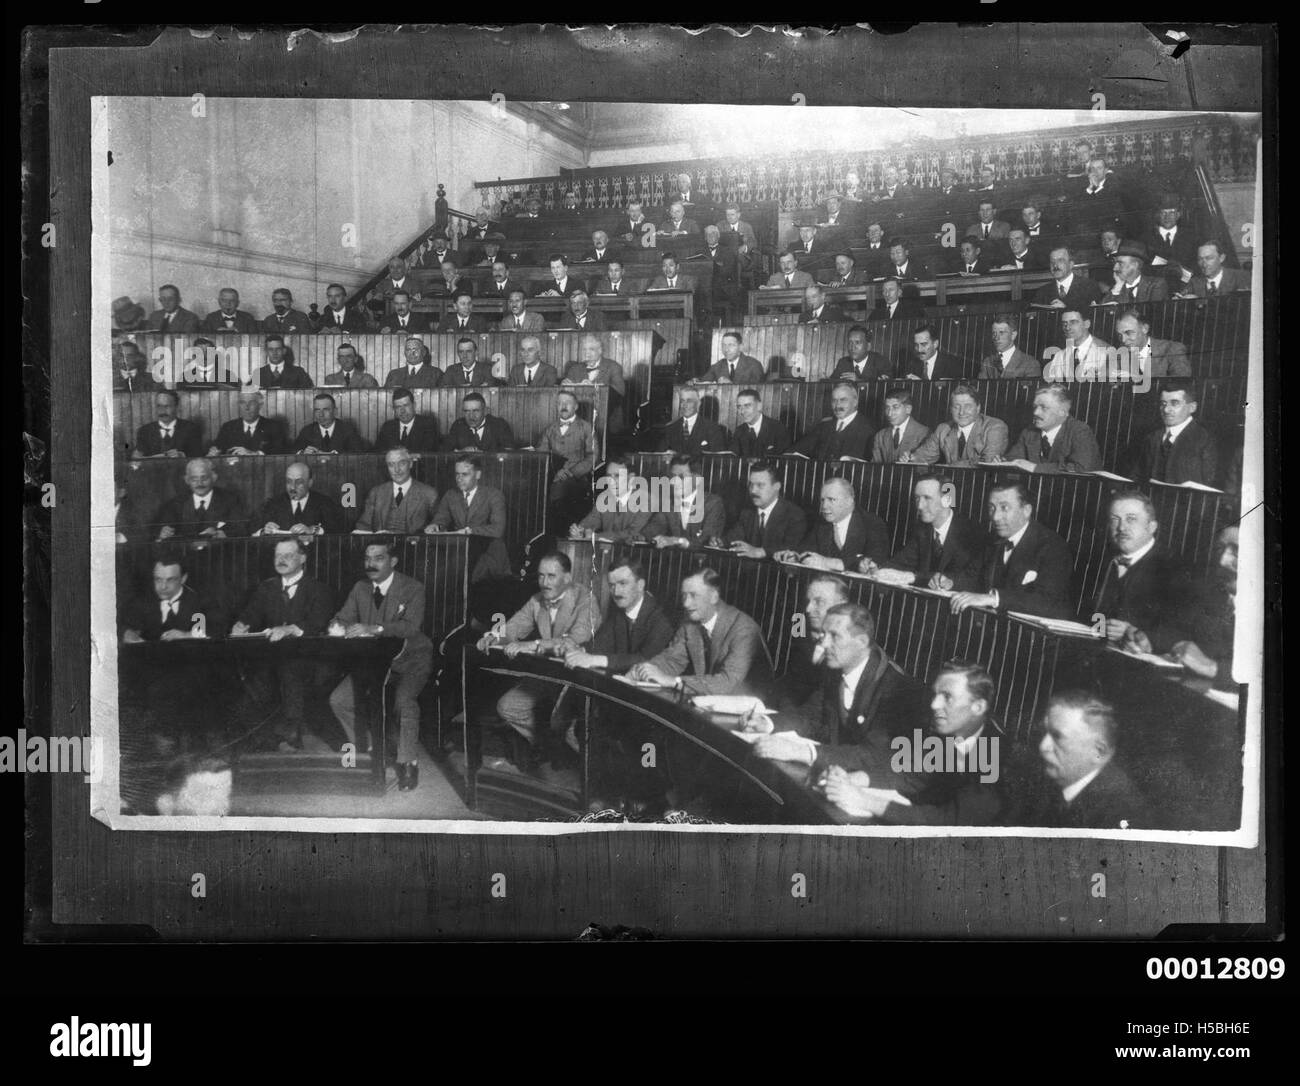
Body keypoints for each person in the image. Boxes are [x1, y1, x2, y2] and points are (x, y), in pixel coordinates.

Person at [821, 661, 1007, 825]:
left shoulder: (998, 755)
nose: (934, 705)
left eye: (947, 697)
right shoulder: (949, 733)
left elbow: (949, 821)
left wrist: (862, 799)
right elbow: (913, 776)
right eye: (935, 695)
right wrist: (852, 779)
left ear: (978, 707)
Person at [752, 602, 924, 772]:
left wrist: (803, 752)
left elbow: (873, 754)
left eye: (834, 636)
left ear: (861, 642)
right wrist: (767, 723)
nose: (824, 644)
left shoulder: (895, 688)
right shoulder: (834, 670)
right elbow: (811, 717)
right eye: (823, 635)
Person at [328, 539, 434, 791]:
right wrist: (336, 626)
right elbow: (342, 618)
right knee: (339, 701)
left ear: (393, 561)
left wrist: (374, 628)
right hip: (374, 664)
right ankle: (372, 750)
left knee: (403, 703)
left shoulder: (412, 588)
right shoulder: (360, 588)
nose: (370, 564)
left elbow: (410, 627)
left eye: (378, 558)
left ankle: (409, 762)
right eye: (367, 559)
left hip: (411, 661)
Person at [476, 551, 598, 767]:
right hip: (550, 674)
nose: (544, 582)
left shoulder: (586, 600)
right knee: (508, 707)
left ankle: (578, 760)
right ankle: (554, 747)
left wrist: (531, 645)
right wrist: (492, 638)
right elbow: (514, 626)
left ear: (567, 578)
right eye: (541, 576)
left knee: (560, 722)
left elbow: (575, 640)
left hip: (579, 681)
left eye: (551, 576)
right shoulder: (536, 600)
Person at [231, 538, 340, 751]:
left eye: (288, 556)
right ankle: (265, 742)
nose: (281, 560)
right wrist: (240, 625)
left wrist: (291, 629)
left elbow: (317, 622)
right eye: (277, 556)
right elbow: (250, 615)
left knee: (290, 671)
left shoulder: (319, 589)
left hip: (310, 660)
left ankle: (290, 736)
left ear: (302, 558)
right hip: (272, 659)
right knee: (249, 679)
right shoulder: (266, 588)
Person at [1089, 489, 1197, 655]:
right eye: (1114, 519)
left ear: (1151, 527)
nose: (1121, 527)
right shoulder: (1098, 559)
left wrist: (1133, 631)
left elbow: (1180, 629)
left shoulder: (1174, 568)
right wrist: (1101, 626)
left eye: (1131, 519)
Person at [630, 569, 768, 697]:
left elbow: (727, 682)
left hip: (754, 707)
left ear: (714, 596)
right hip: (712, 701)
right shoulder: (690, 623)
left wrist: (674, 681)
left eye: (693, 595)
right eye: (684, 595)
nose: (686, 603)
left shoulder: (744, 628)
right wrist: (643, 670)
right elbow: (672, 660)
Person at [1022, 692, 1151, 829]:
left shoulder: (1122, 813)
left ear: (1098, 752)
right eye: (1044, 732)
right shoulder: (1045, 790)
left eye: (1058, 736)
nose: (1043, 746)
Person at [950, 479, 1074, 620]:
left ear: (1026, 510)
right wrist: (947, 582)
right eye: (991, 508)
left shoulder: (1053, 546)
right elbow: (971, 577)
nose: (995, 517)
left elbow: (1048, 602)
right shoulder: (991, 541)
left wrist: (994, 599)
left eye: (1005, 508)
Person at [860, 474, 982, 588]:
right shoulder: (922, 529)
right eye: (917, 498)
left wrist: (914, 577)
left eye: (927, 498)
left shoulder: (969, 532)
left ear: (947, 499)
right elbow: (902, 561)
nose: (919, 506)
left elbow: (965, 578)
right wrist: (878, 569)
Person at [1168, 525, 1238, 684]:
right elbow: (1178, 633)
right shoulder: (1209, 595)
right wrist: (1146, 640)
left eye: (1236, 551)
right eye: (1220, 549)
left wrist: (1213, 668)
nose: (1222, 561)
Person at [425, 453, 511, 581]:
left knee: (471, 576)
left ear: (478, 475)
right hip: (458, 552)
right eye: (457, 474)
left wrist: (469, 531)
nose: (459, 479)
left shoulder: (494, 495)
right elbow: (441, 518)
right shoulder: (450, 495)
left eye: (465, 474)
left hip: (488, 553)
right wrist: (434, 526)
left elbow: (498, 530)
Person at [775, 477, 889, 571]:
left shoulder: (872, 523)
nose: (824, 506)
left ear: (849, 501)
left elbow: (875, 561)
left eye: (831, 500)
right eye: (822, 500)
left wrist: (829, 562)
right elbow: (806, 550)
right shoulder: (822, 523)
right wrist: (794, 556)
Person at [1129, 379, 1219, 487]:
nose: (1166, 409)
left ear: (1192, 407)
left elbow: (1210, 485)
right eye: (1163, 403)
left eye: (1175, 403)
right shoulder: (1152, 438)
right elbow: (1136, 477)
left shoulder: (1205, 440)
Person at [998, 384, 1102, 474]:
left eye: (1044, 407)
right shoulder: (1029, 433)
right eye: (1035, 407)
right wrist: (1002, 462)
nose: (1035, 413)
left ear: (1062, 412)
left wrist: (1036, 468)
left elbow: (1083, 468)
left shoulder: (1080, 431)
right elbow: (1014, 459)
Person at [120, 552, 222, 642]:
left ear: (183, 579)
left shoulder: (202, 602)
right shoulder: (141, 601)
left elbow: (218, 630)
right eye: (158, 579)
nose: (163, 587)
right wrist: (128, 634)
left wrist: (188, 635)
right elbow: (124, 627)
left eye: (170, 580)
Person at [902, 383, 1008, 467]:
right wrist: (910, 458)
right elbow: (924, 456)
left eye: (967, 406)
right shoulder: (943, 429)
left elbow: (987, 462)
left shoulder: (995, 427)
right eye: (956, 407)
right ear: (950, 409)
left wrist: (950, 466)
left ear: (978, 407)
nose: (961, 412)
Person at [719, 459, 807, 559]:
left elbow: (792, 548)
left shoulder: (794, 515)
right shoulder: (747, 512)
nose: (753, 490)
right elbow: (732, 539)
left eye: (760, 485)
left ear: (776, 487)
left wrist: (761, 552)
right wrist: (720, 542)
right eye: (751, 484)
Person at [536, 390, 597, 525]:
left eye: (567, 403)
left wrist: (570, 472)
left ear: (575, 407)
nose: (563, 406)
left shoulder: (586, 428)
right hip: (553, 475)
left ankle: (557, 533)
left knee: (557, 491)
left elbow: (592, 457)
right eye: (559, 403)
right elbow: (542, 455)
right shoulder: (550, 429)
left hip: (578, 477)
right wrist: (554, 472)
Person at [645, 455, 726, 549]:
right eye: (672, 477)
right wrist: (640, 537)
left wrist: (677, 541)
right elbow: (655, 527)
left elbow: (708, 540)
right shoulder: (668, 502)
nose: (673, 482)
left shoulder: (713, 503)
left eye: (681, 477)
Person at [155, 457, 247, 539]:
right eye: (194, 479)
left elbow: (240, 530)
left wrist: (224, 534)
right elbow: (164, 533)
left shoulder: (231, 500)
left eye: (204, 478)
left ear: (214, 478)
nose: (199, 484)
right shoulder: (175, 504)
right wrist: (163, 533)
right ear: (187, 480)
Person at [353, 447, 438, 534]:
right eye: (391, 465)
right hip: (380, 544)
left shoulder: (429, 493)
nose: (397, 470)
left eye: (402, 463)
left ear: (411, 464)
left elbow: (437, 526)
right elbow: (363, 526)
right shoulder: (376, 493)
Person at [570, 454, 652, 541]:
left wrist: (595, 537)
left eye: (617, 476)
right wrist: (578, 531)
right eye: (609, 476)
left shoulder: (646, 500)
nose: (611, 481)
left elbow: (633, 533)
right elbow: (590, 523)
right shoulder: (604, 498)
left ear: (631, 478)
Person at [256, 460, 346, 536]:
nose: (292, 487)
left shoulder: (324, 502)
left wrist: (314, 530)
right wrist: (264, 531)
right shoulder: (273, 503)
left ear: (310, 483)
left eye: (299, 482)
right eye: (289, 481)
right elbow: (251, 528)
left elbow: (341, 528)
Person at [791, 381, 874, 461]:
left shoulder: (868, 430)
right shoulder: (823, 427)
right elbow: (796, 451)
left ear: (855, 402)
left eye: (843, 400)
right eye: (834, 400)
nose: (837, 405)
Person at [561, 334, 627, 434]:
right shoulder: (575, 369)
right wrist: (565, 386)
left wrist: (593, 387)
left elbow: (620, 392)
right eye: (584, 350)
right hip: (578, 415)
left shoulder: (613, 366)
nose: (587, 353)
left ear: (600, 350)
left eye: (591, 349)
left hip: (606, 417)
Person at [1112, 308, 1192, 379]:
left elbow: (1181, 384)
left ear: (1145, 329)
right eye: (1119, 335)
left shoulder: (1172, 349)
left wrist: (1136, 379)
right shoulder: (1120, 355)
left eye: (1128, 333)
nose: (1123, 339)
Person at [207, 391, 289, 456]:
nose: (246, 408)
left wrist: (255, 454)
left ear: (260, 405)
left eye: (251, 403)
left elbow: (281, 452)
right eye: (242, 403)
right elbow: (218, 448)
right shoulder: (228, 427)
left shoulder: (274, 427)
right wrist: (214, 453)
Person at [1042, 308, 1110, 382]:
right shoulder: (1059, 355)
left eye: (1073, 322)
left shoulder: (1106, 351)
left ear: (1087, 324)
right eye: (1064, 323)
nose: (1067, 328)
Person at [132, 390, 205, 459]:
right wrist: (136, 457)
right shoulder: (144, 431)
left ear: (176, 407)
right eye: (159, 406)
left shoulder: (191, 429)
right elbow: (139, 457)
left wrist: (182, 455)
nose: (162, 411)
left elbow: (198, 456)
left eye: (167, 406)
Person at [658, 386, 727, 455]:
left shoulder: (712, 428)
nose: (685, 405)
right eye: (682, 401)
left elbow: (717, 460)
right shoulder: (670, 429)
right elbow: (661, 457)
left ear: (698, 404)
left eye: (689, 401)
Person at [293, 393, 369, 454]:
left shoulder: (347, 429)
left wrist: (334, 455)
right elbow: (293, 451)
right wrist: (303, 453)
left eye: (325, 410)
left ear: (335, 411)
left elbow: (358, 452)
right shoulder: (307, 430)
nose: (321, 414)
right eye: (317, 410)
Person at [1033, 246, 1105, 310]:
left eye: (1060, 260)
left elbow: (1093, 316)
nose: (1055, 265)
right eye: (1052, 262)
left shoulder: (1089, 286)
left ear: (1071, 264)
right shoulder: (1042, 292)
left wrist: (1066, 309)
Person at [871, 387, 930, 463]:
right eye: (887, 408)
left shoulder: (924, 433)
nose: (889, 413)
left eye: (895, 407)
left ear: (908, 409)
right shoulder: (880, 435)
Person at [374, 387, 440, 453]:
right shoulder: (388, 427)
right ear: (394, 409)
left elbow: (428, 454)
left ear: (414, 405)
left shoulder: (427, 425)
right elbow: (378, 453)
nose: (402, 411)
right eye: (398, 407)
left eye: (406, 405)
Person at [443, 392, 516, 452]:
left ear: (485, 411)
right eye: (467, 411)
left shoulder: (499, 425)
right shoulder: (458, 425)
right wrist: (462, 451)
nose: (471, 416)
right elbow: (446, 451)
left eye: (476, 411)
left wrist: (482, 453)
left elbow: (509, 451)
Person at [730, 388, 791, 458]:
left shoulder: (778, 428)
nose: (742, 411)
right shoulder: (739, 431)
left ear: (759, 406)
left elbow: (784, 461)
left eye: (747, 406)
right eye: (739, 407)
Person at [1178, 240, 1250, 298]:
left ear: (1221, 258)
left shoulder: (1241, 277)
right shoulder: (1194, 283)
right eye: (1200, 259)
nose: (1204, 264)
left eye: (1209, 258)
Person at [977, 315, 1042, 378]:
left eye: (1001, 332)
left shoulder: (1030, 364)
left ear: (1013, 335)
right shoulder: (987, 362)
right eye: (994, 333)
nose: (996, 337)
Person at [901, 324, 965, 380]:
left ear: (935, 344)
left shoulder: (951, 363)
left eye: (924, 344)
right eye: (916, 345)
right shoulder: (912, 364)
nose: (919, 350)